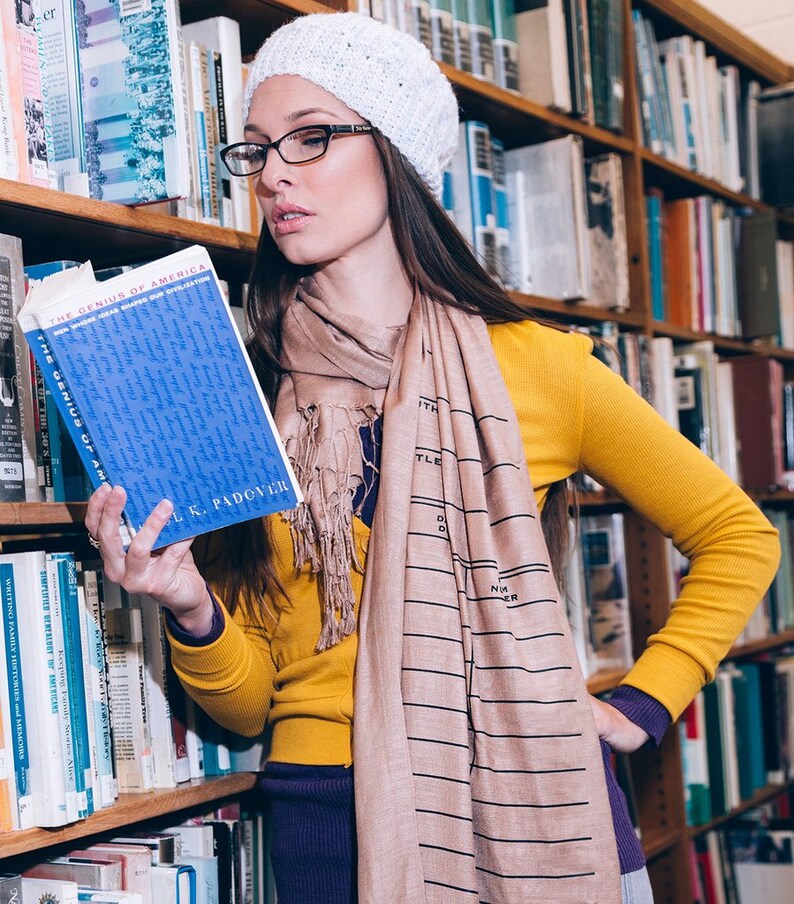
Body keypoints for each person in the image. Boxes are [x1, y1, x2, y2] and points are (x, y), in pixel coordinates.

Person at [85, 11, 780, 904]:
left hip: (533, 804)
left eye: (312, 137)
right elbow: (251, 704)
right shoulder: (242, 392)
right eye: (257, 150)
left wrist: (645, 703)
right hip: (325, 818)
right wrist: (188, 606)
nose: (275, 174)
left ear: (398, 153)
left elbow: (738, 535)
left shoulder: (537, 366)